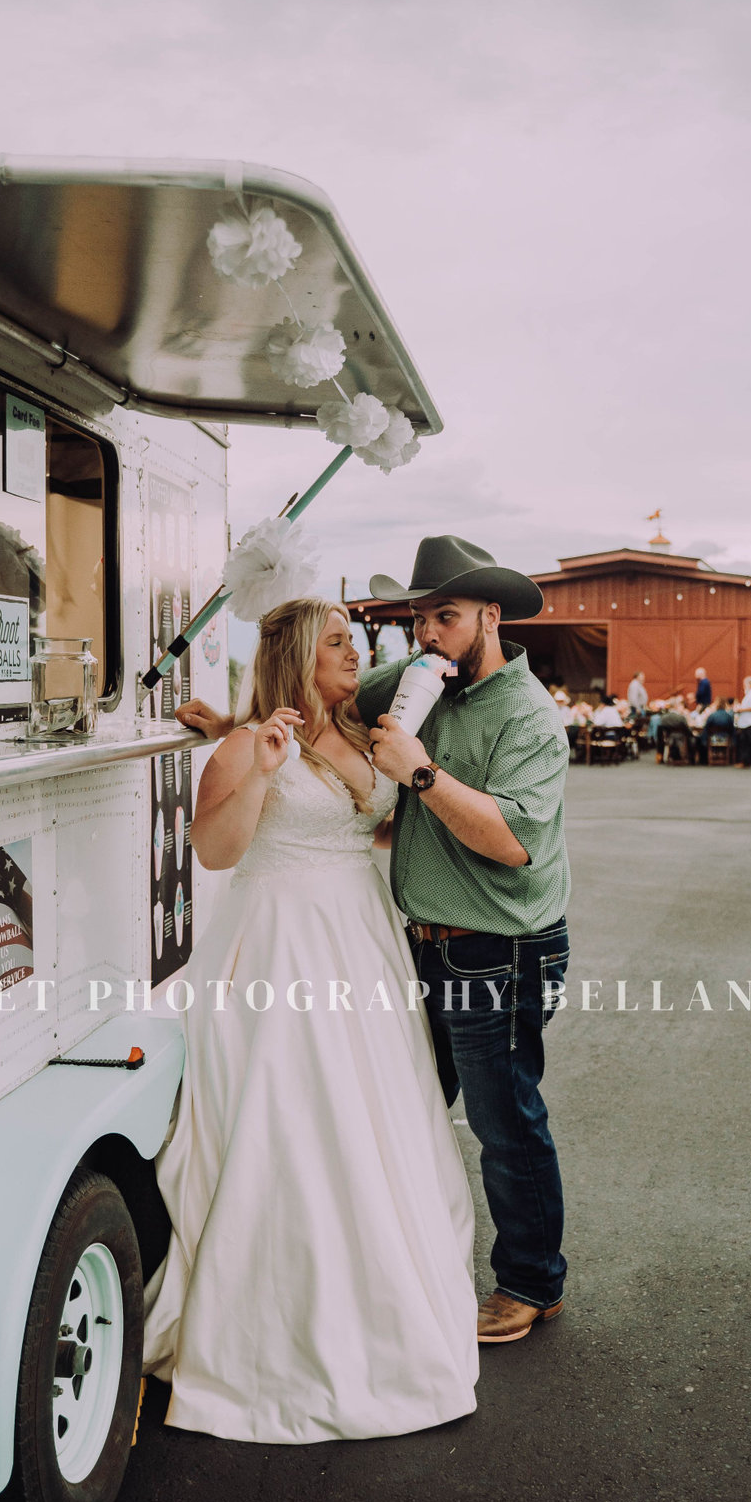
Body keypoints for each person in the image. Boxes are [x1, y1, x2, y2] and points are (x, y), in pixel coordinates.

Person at [181, 537, 573, 1349]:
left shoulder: (528, 715)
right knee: (385, 1108)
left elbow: (513, 842)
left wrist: (421, 773)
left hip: (496, 943)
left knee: (504, 1120)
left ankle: (531, 1283)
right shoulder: (415, 676)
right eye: (419, 618)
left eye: (447, 617)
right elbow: (314, 719)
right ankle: (356, 1261)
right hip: (406, 944)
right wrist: (231, 731)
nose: (424, 634)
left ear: (489, 618)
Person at [147, 596, 478, 1442]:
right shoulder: (248, 743)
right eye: (338, 642)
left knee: (376, 1113)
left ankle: (382, 1298)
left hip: (360, 939)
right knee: (293, 1114)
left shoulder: (365, 737)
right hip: (279, 946)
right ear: (297, 654)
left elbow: (378, 829)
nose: (354, 653)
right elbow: (216, 852)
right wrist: (257, 764)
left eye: (354, 641)